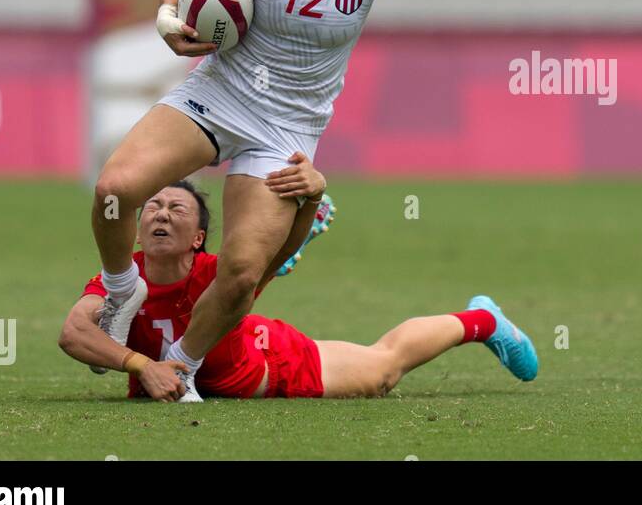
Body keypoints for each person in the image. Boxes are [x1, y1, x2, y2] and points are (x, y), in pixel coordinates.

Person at [90, 0, 607, 399]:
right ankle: (122, 293)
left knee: (241, 274)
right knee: (115, 188)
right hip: (219, 95)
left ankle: (183, 368)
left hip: (285, 129)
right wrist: (169, 15)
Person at [60, 162, 537, 401]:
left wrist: (310, 198)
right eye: (153, 208)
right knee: (263, 266)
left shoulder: (216, 272)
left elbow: (277, 253)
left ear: (199, 238)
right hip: (189, 372)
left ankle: (483, 321)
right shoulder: (121, 279)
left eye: (176, 209)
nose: (161, 214)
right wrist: (142, 366)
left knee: (383, 372)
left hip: (273, 364)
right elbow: (74, 333)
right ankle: (282, 244)